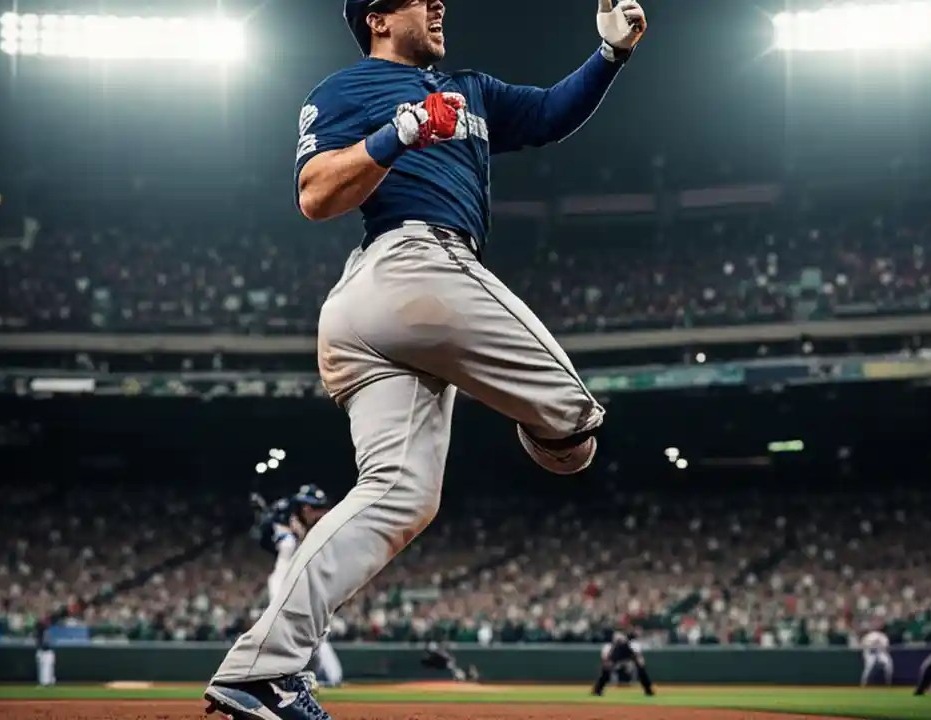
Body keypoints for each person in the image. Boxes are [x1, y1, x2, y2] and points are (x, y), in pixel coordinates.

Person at [203, 2, 647, 718]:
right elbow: (315, 195)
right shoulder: (345, 89)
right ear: (377, 17)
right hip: (412, 268)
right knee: (575, 426)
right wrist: (396, 134)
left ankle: (260, 668)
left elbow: (545, 116)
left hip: (382, 310)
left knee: (402, 495)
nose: (439, 4)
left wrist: (608, 57)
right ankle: (550, 426)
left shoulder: (470, 88)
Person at [255, 487, 345, 688]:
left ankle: (326, 678)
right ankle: (264, 678)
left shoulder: (315, 528)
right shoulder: (285, 529)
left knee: (317, 633)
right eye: (314, 507)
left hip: (303, 584)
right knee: (283, 632)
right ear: (304, 507)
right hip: (284, 582)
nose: (319, 512)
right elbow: (269, 536)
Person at [592, 631, 655, 696]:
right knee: (605, 670)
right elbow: (605, 660)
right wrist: (607, 663)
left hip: (629, 657)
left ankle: (648, 690)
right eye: (618, 639)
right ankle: (597, 690)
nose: (620, 641)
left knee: (641, 670)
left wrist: (640, 663)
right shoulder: (609, 647)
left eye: (622, 639)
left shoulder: (633, 646)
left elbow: (639, 659)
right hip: (615, 657)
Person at [859, 622, 893, 687]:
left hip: (880, 652)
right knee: (868, 668)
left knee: (889, 664)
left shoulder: (883, 636)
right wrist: (872, 644)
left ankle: (888, 683)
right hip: (870, 653)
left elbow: (886, 647)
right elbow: (863, 645)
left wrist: (879, 646)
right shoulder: (869, 635)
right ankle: (863, 683)